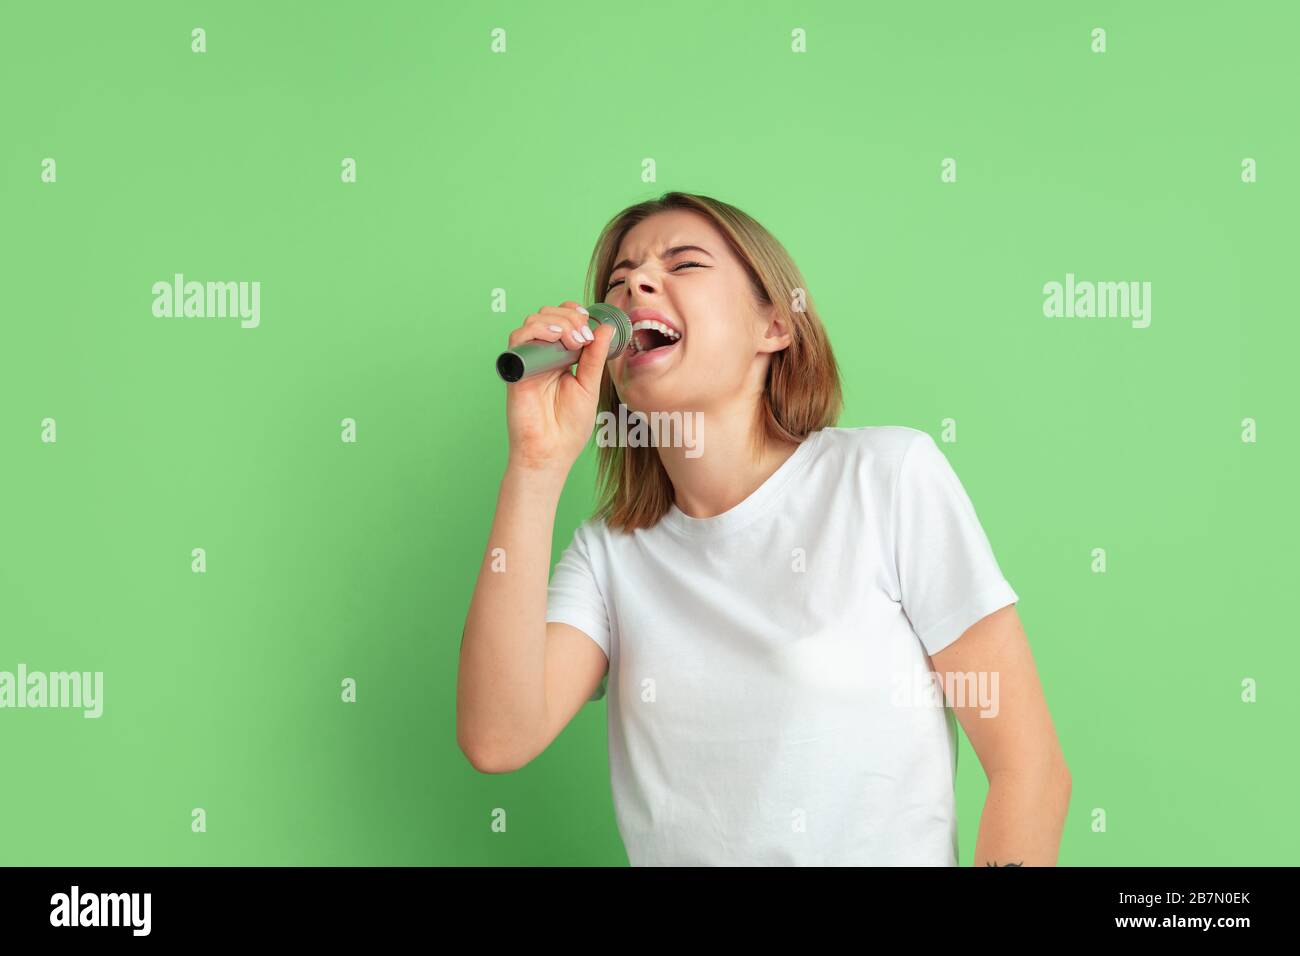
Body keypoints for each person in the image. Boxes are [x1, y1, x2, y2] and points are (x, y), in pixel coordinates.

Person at [458, 191, 1071, 866]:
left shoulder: (887, 478)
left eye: (683, 263)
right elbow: (498, 738)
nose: (634, 283)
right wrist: (535, 467)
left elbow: (1031, 773)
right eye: (618, 279)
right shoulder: (609, 556)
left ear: (775, 324)